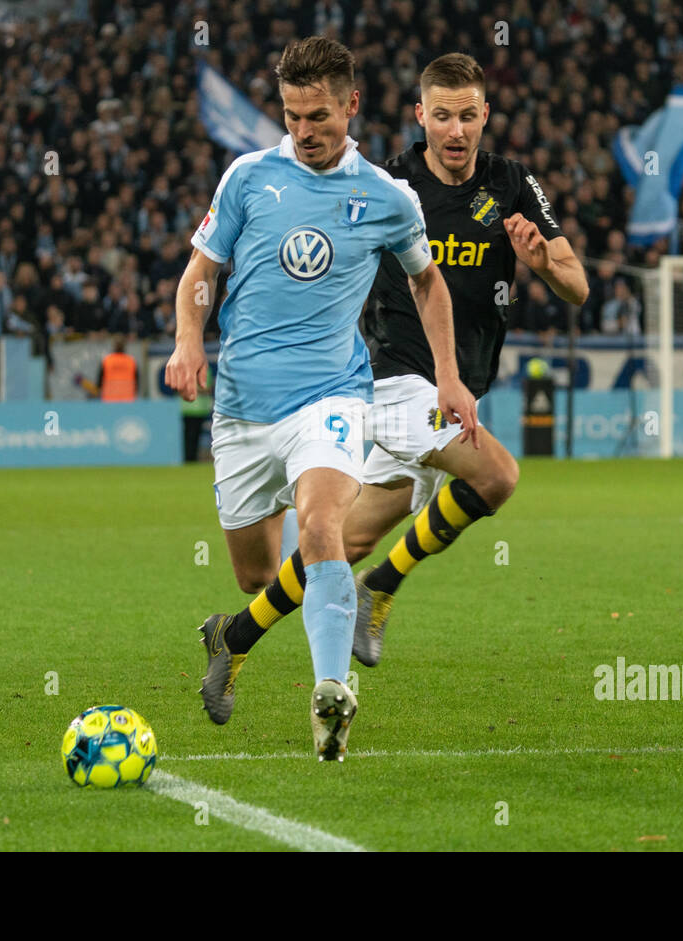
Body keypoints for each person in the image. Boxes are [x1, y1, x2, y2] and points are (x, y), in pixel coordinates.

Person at [201, 52, 587, 718]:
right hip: (390, 382)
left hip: (452, 390)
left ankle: (234, 635)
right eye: (443, 116)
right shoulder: (391, 185)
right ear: (422, 117)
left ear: (485, 116)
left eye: (468, 116)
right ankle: (381, 586)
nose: (456, 130)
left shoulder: (512, 185)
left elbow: (577, 287)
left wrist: (543, 262)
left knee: (334, 542)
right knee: (497, 475)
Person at [166, 37, 475, 761]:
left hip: (332, 396)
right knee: (255, 572)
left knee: (322, 526)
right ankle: (230, 631)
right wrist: (187, 339)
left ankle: (332, 694)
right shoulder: (247, 178)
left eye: (320, 117)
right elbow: (199, 275)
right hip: (244, 405)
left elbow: (427, 281)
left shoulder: (387, 198)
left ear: (351, 106)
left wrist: (449, 375)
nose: (305, 131)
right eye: (293, 115)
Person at [97, 336, 138, 401]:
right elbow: (137, 382)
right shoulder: (131, 361)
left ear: (114, 346)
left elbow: (99, 383)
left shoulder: (107, 360)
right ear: (124, 346)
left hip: (109, 399)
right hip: (128, 399)